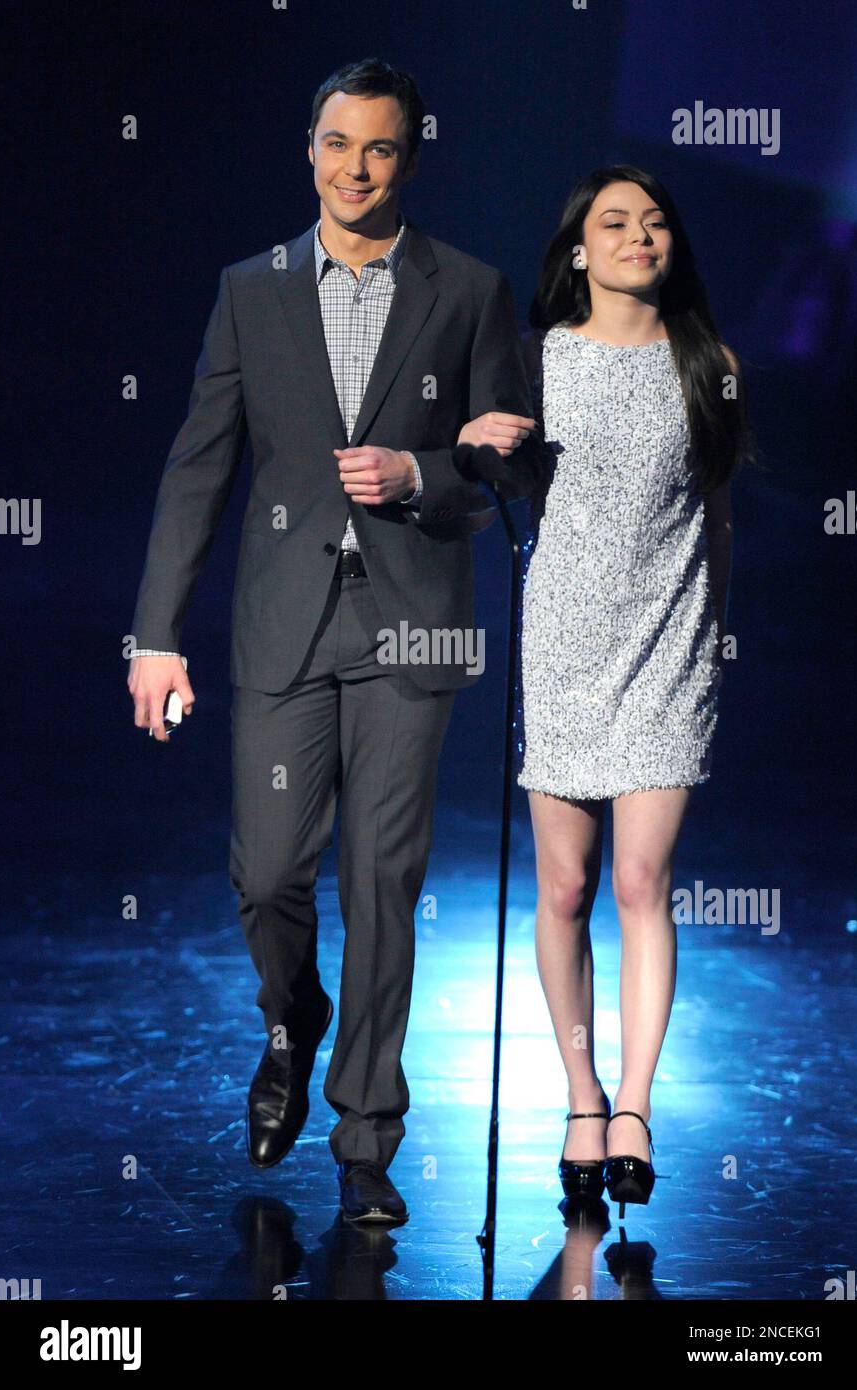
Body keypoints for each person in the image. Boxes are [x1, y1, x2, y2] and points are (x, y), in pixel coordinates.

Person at [127, 57, 542, 1226]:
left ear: (410, 156)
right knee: (267, 875)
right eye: (335, 144)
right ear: (308, 147)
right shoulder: (251, 289)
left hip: (413, 627)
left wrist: (428, 469)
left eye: (381, 148)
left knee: (385, 880)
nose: (355, 169)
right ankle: (291, 1017)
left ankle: (366, 1134)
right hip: (283, 623)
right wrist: (153, 634)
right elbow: (199, 465)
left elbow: (510, 466)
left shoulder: (468, 287)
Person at [513, 166, 748, 1216]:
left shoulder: (709, 364)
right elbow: (500, 497)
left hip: (669, 647)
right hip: (562, 644)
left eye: (654, 223)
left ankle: (636, 1107)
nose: (638, 236)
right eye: (614, 222)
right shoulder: (537, 363)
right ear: (578, 248)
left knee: (641, 883)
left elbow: (720, 518)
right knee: (563, 890)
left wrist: (712, 641)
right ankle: (580, 1093)